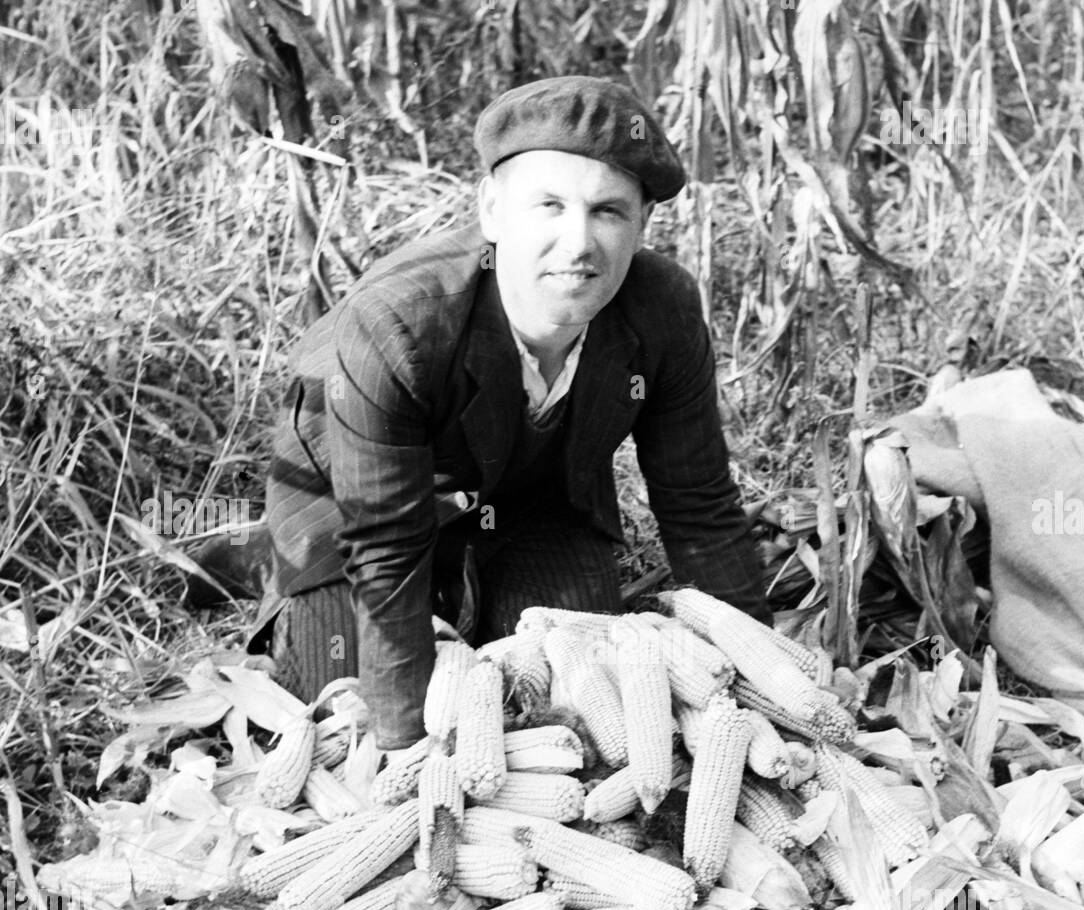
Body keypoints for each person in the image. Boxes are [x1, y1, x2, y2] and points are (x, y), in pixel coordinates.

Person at [257, 75, 771, 751]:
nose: (578, 242)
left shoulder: (662, 310)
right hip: (352, 511)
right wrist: (409, 751)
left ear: (644, 223)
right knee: (347, 710)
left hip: (530, 498)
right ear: (493, 212)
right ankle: (269, 568)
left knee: (583, 699)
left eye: (608, 211)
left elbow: (699, 504)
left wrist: (762, 679)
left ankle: (475, 592)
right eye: (549, 205)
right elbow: (384, 546)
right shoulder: (400, 324)